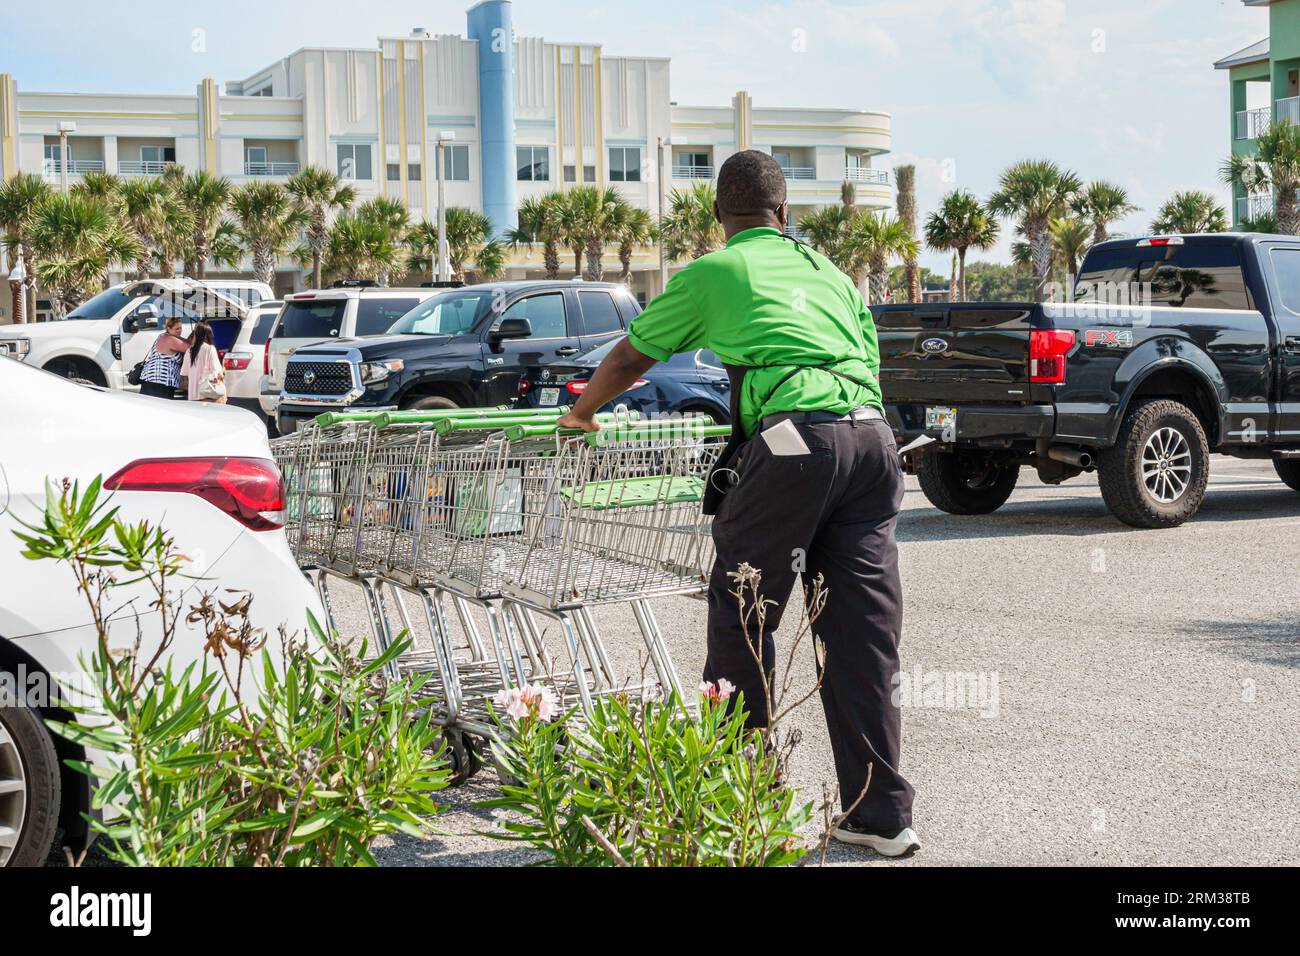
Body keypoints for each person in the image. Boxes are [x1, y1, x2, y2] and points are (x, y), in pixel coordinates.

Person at [556, 150, 918, 856]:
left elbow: (633, 358)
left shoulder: (714, 272)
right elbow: (865, 366)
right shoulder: (833, 275)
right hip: (874, 444)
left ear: (720, 219)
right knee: (861, 634)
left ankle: (741, 804)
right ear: (786, 215)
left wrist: (582, 414)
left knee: (745, 613)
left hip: (792, 442)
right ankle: (881, 816)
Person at [138, 317, 190, 400]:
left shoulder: (165, 337)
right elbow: (190, 348)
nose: (179, 331)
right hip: (159, 382)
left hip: (157, 382)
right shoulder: (169, 339)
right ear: (168, 328)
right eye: (176, 329)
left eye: (180, 328)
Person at [180, 321, 226, 404]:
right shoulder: (210, 349)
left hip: (193, 396)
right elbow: (217, 372)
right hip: (207, 395)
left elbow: (184, 373)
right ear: (207, 335)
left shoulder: (189, 351)